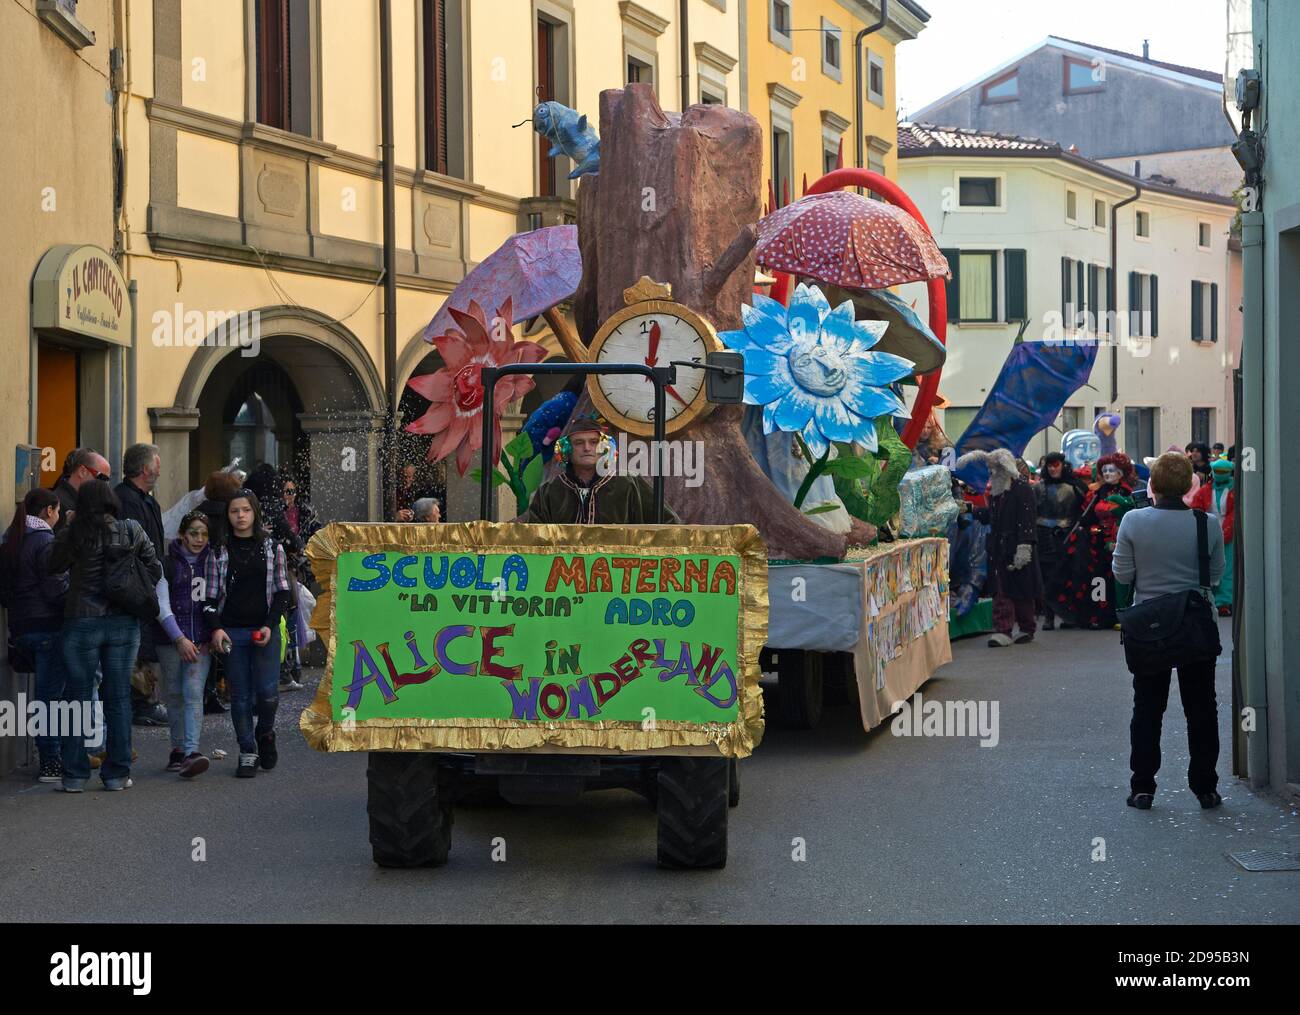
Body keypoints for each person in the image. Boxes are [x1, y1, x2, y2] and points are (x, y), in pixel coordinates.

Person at [1112, 452, 1225, 810]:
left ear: (1154, 485)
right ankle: (1205, 787)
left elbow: (1122, 575)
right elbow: (1217, 576)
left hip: (1150, 625)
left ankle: (1143, 786)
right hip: (1195, 622)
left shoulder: (1132, 520)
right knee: (1202, 708)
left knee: (1147, 708)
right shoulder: (1206, 523)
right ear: (1189, 484)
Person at [50, 480, 162, 792]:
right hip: (123, 623)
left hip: (81, 621)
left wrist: (66, 527)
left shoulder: (75, 532)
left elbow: (53, 565)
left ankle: (73, 775)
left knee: (77, 697)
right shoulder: (131, 530)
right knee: (118, 697)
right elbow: (154, 569)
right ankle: (116, 774)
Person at [205, 490, 292, 779]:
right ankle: (247, 750)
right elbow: (210, 595)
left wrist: (270, 624)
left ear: (254, 512)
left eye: (245, 510)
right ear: (227, 516)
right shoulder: (219, 550)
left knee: (267, 694)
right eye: (234, 511)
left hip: (263, 628)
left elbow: (282, 592)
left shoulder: (272, 547)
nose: (240, 516)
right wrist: (216, 627)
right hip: (232, 631)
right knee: (240, 696)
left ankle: (265, 731)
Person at [0, 489, 69, 781]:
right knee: (49, 700)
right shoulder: (45, 541)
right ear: (49, 511)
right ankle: (51, 762)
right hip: (47, 627)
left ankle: (48, 755)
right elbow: (55, 589)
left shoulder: (10, 539)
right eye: (58, 511)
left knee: (40, 698)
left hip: (20, 627)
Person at [522, 414, 681, 524]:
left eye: (593, 442)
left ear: (604, 447)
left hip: (620, 570)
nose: (587, 448)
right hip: (565, 571)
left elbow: (669, 524)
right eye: (579, 443)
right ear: (567, 449)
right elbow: (532, 538)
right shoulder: (550, 492)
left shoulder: (629, 484)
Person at [956, 449, 1041, 646]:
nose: (992, 473)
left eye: (995, 469)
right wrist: (970, 509)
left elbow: (1027, 520)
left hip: (1016, 545)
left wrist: (1024, 547)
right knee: (1001, 590)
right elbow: (992, 517)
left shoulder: (1022, 489)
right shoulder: (997, 491)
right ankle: (1003, 629)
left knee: (1021, 589)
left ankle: (1027, 627)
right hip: (999, 548)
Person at [154, 510, 216, 778]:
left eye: (204, 533)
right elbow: (161, 606)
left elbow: (217, 599)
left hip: (201, 639)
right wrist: (178, 638)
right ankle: (177, 749)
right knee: (174, 694)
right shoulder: (165, 564)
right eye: (193, 533)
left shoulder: (213, 563)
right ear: (182, 534)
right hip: (169, 639)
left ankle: (191, 752)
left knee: (192, 692)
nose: (199, 539)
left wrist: (214, 632)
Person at [114, 443, 169, 727]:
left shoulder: (148, 501)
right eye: (157, 464)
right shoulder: (124, 500)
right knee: (137, 647)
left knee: (145, 645)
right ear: (146, 469)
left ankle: (145, 699)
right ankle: (140, 703)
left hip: (148, 584)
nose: (160, 470)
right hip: (134, 587)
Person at [1050, 452, 1135, 630]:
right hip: (1097, 545)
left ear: (1121, 472)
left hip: (1120, 540)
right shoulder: (1096, 493)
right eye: (1104, 470)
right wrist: (1090, 530)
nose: (1108, 474)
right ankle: (1099, 615)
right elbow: (1087, 517)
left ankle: (1120, 614)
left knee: (1119, 580)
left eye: (1112, 470)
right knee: (1098, 580)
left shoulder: (1128, 494)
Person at [1034, 452, 1087, 630]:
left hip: (1068, 535)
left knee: (1068, 576)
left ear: (1062, 465)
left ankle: (1068, 615)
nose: (1052, 468)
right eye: (1049, 465)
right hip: (1043, 536)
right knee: (1047, 577)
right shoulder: (1039, 488)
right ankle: (1048, 617)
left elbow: (1085, 510)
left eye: (1056, 465)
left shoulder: (1075, 487)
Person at [51, 447, 112, 531]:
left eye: (107, 481)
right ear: (82, 471)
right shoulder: (57, 504)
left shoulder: (90, 501)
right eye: (101, 478)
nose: (104, 485)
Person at [1210, 458, 1235, 616]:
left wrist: (1227, 528)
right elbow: (1196, 506)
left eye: (1223, 472)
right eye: (1217, 471)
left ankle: (1225, 601)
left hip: (1228, 535)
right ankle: (1211, 599)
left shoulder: (1234, 490)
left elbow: (1235, 511)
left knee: (1227, 569)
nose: (1219, 475)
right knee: (1210, 566)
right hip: (1209, 532)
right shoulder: (1207, 489)